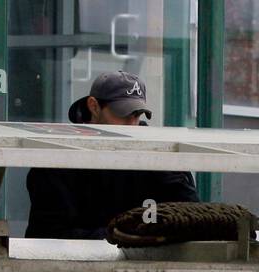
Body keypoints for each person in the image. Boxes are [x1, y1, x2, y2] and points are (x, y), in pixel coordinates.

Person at [25, 71, 199, 239]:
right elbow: (48, 233)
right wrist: (125, 236)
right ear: (93, 106)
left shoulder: (159, 156)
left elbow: (190, 217)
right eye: (122, 113)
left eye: (137, 114)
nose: (132, 124)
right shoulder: (59, 160)